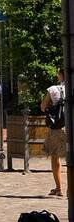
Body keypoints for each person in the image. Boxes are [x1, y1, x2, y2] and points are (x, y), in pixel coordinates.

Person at [41, 66, 66, 199]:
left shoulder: (53, 89)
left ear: (61, 75)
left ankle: (59, 188)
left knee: (55, 157)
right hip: (71, 126)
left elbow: (43, 106)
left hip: (58, 127)